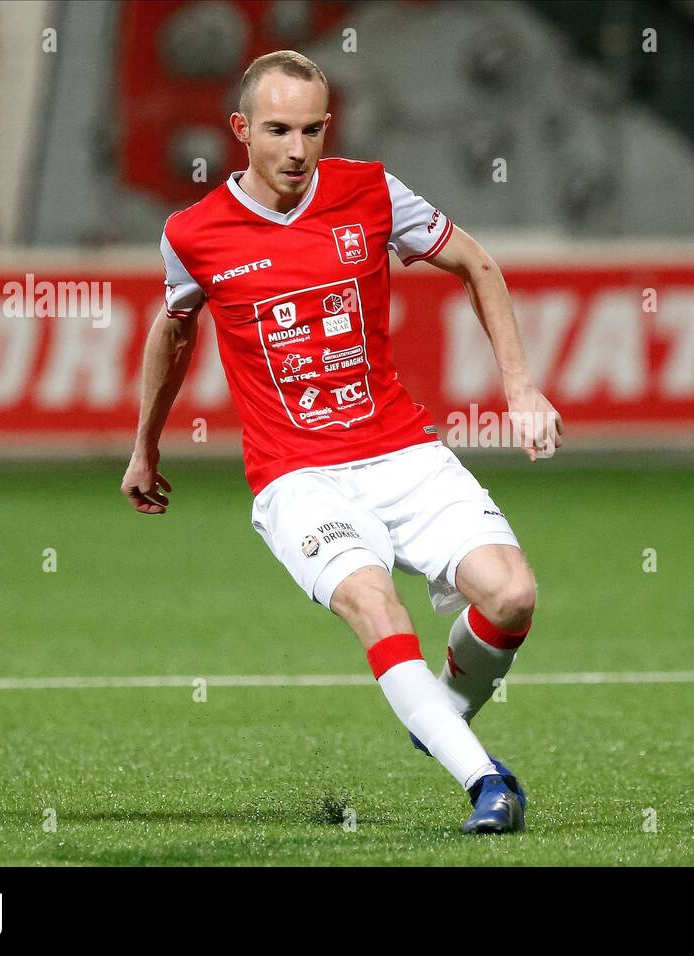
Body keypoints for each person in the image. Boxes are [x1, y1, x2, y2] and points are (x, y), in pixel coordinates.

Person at [120, 51, 563, 834]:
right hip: (298, 479)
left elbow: (476, 263)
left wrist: (521, 387)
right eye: (279, 130)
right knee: (373, 602)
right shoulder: (193, 235)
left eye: (313, 129)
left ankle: (442, 720)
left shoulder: (371, 193)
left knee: (513, 595)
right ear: (240, 130)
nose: (298, 149)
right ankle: (486, 784)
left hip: (403, 453)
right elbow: (174, 329)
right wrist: (144, 446)